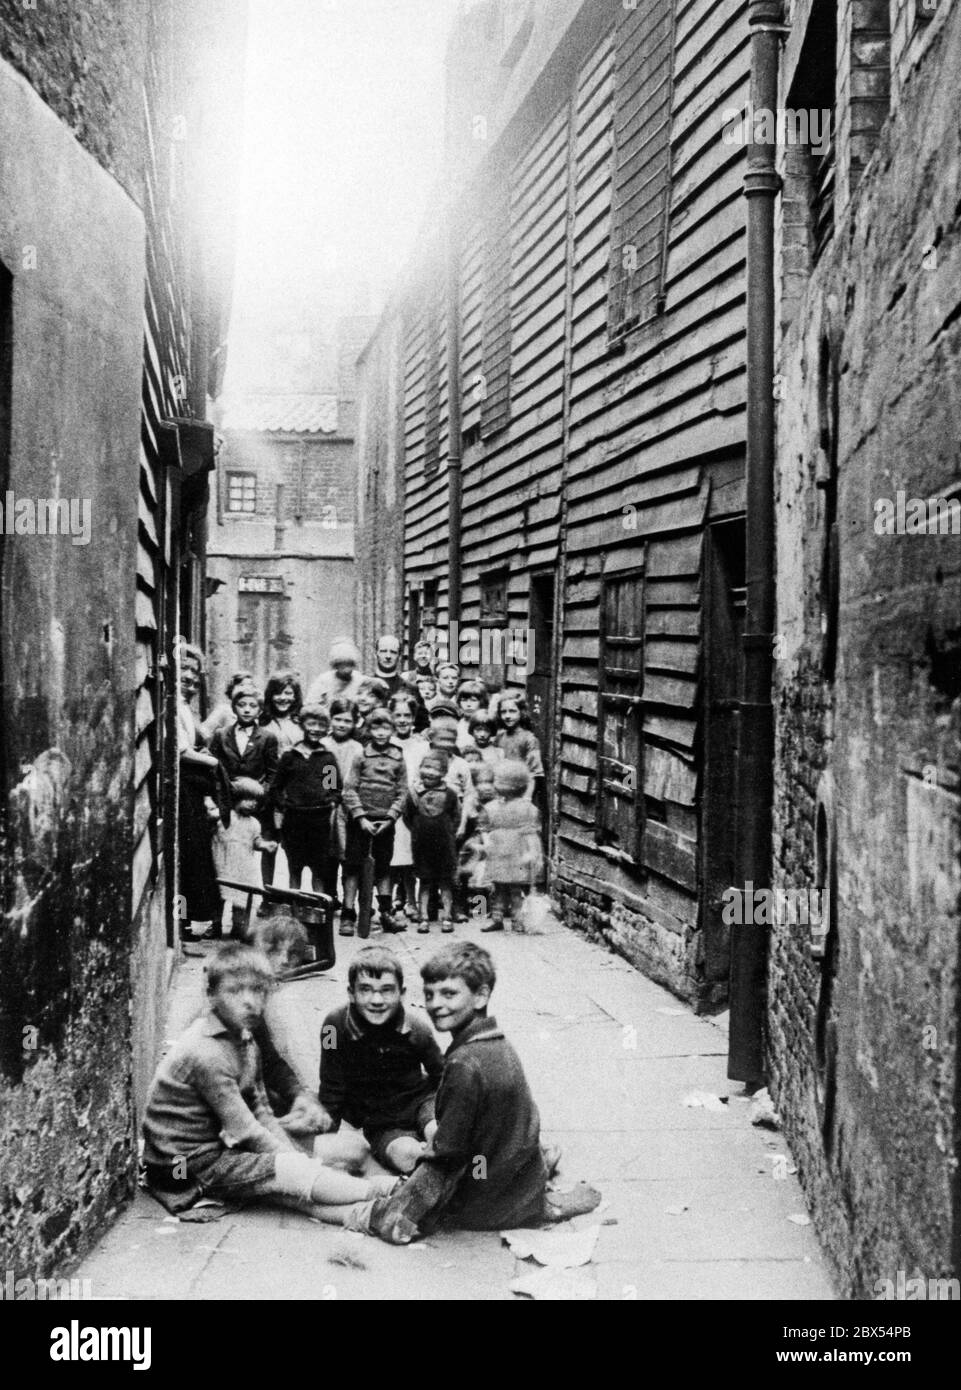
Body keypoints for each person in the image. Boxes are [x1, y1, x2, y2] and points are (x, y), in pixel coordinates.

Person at [354, 942, 600, 1244]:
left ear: (481, 995)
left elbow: (446, 1157)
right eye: (429, 994)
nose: (435, 1004)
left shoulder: (465, 1064)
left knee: (384, 1204)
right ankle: (538, 1180)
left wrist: (399, 1215)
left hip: (489, 1205)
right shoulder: (497, 1043)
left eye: (449, 994)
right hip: (519, 1185)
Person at [141, 941, 398, 1222]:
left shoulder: (244, 1038)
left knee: (342, 1154)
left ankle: (365, 1217)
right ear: (212, 995)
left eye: (257, 990)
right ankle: (388, 1193)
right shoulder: (206, 1052)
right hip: (183, 1167)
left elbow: (260, 1107)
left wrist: (292, 1155)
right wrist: (295, 1162)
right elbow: (245, 1129)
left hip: (220, 1147)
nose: (250, 1001)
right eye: (235, 990)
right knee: (291, 1176)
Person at [319, 946, 443, 1175]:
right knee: (406, 1156)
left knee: (439, 1134)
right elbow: (331, 1088)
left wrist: (449, 1115)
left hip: (422, 1103)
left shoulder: (417, 1029)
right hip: (382, 1121)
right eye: (365, 990)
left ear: (402, 993)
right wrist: (326, 1142)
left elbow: (443, 1076)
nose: (376, 1000)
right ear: (351, 993)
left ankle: (469, 1171)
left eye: (387, 990)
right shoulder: (333, 1027)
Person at [177, 645, 231, 939]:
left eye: (195, 676)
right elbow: (181, 750)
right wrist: (212, 762)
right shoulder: (173, 705)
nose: (189, 680)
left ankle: (185, 922)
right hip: (183, 788)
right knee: (188, 857)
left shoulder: (185, 706)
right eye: (184, 672)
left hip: (192, 790)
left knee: (195, 856)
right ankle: (181, 922)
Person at [341, 708, 408, 936]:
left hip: (385, 824)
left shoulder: (398, 757)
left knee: (383, 868)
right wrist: (360, 816)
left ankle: (386, 912)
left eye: (385, 728)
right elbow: (348, 790)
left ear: (392, 729)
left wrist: (391, 817)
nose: (380, 733)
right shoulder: (361, 756)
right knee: (353, 868)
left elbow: (402, 792)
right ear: (368, 730)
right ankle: (348, 914)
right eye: (375, 728)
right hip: (360, 823)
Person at [270, 704, 341, 898]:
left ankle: (317, 910)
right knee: (295, 868)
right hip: (294, 820)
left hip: (319, 820)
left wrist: (329, 802)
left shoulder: (326, 757)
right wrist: (285, 805)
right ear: (302, 725)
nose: (316, 729)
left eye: (321, 725)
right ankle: (296, 910)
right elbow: (276, 787)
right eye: (311, 723)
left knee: (319, 870)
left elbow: (334, 787)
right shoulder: (290, 757)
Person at [480, 760, 543, 932]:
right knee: (497, 888)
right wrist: (486, 843)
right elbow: (484, 827)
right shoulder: (491, 807)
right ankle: (497, 918)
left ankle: (517, 920)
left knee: (515, 889)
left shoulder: (527, 808)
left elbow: (531, 833)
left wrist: (533, 852)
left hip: (516, 852)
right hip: (498, 851)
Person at [212, 778, 278, 938]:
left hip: (243, 869)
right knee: (218, 898)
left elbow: (255, 841)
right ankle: (215, 925)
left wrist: (265, 845)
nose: (252, 804)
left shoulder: (254, 823)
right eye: (248, 799)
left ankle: (238, 928)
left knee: (241, 901)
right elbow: (211, 821)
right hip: (222, 864)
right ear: (236, 798)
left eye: (256, 801)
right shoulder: (223, 817)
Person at [403, 751, 459, 934]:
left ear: (443, 773)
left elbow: (455, 817)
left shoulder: (450, 794)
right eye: (426, 767)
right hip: (422, 844)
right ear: (419, 769)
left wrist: (448, 832)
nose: (430, 772)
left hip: (444, 844)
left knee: (445, 881)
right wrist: (418, 830)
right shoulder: (413, 793)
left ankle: (448, 916)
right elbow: (408, 817)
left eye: (436, 769)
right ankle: (424, 916)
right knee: (425, 881)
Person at [258, 672, 304, 891]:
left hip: (297, 791)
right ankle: (268, 893)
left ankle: (292, 894)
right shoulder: (263, 723)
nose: (283, 698)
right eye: (277, 693)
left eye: (288, 693)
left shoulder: (302, 722)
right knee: (269, 842)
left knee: (294, 846)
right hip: (272, 790)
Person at [387, 695, 429, 923]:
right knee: (392, 855)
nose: (402, 720)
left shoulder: (422, 746)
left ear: (413, 718)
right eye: (398, 715)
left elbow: (425, 774)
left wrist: (417, 793)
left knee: (411, 857)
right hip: (391, 806)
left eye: (407, 716)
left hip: (414, 806)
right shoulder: (386, 743)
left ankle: (411, 901)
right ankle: (392, 899)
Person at [322, 697, 364, 914]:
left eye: (347, 720)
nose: (341, 724)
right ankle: (331, 897)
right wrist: (332, 794)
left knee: (349, 855)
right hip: (330, 805)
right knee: (328, 854)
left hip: (351, 808)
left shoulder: (358, 748)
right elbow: (328, 776)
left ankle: (350, 901)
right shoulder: (325, 745)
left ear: (355, 723)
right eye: (337, 719)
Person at [305, 639, 365, 708]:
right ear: (335, 665)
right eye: (341, 664)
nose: (346, 669)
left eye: (349, 663)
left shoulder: (361, 680)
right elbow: (310, 704)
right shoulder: (324, 680)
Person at [200, 670, 256, 743]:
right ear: (232, 689)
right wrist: (213, 746)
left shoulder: (255, 711)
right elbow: (204, 730)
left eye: (250, 685)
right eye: (241, 685)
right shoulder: (224, 709)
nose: (246, 688)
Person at [455, 679, 489, 750]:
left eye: (473, 700)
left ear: (482, 702)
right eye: (464, 700)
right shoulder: (458, 725)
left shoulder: (487, 724)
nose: (468, 705)